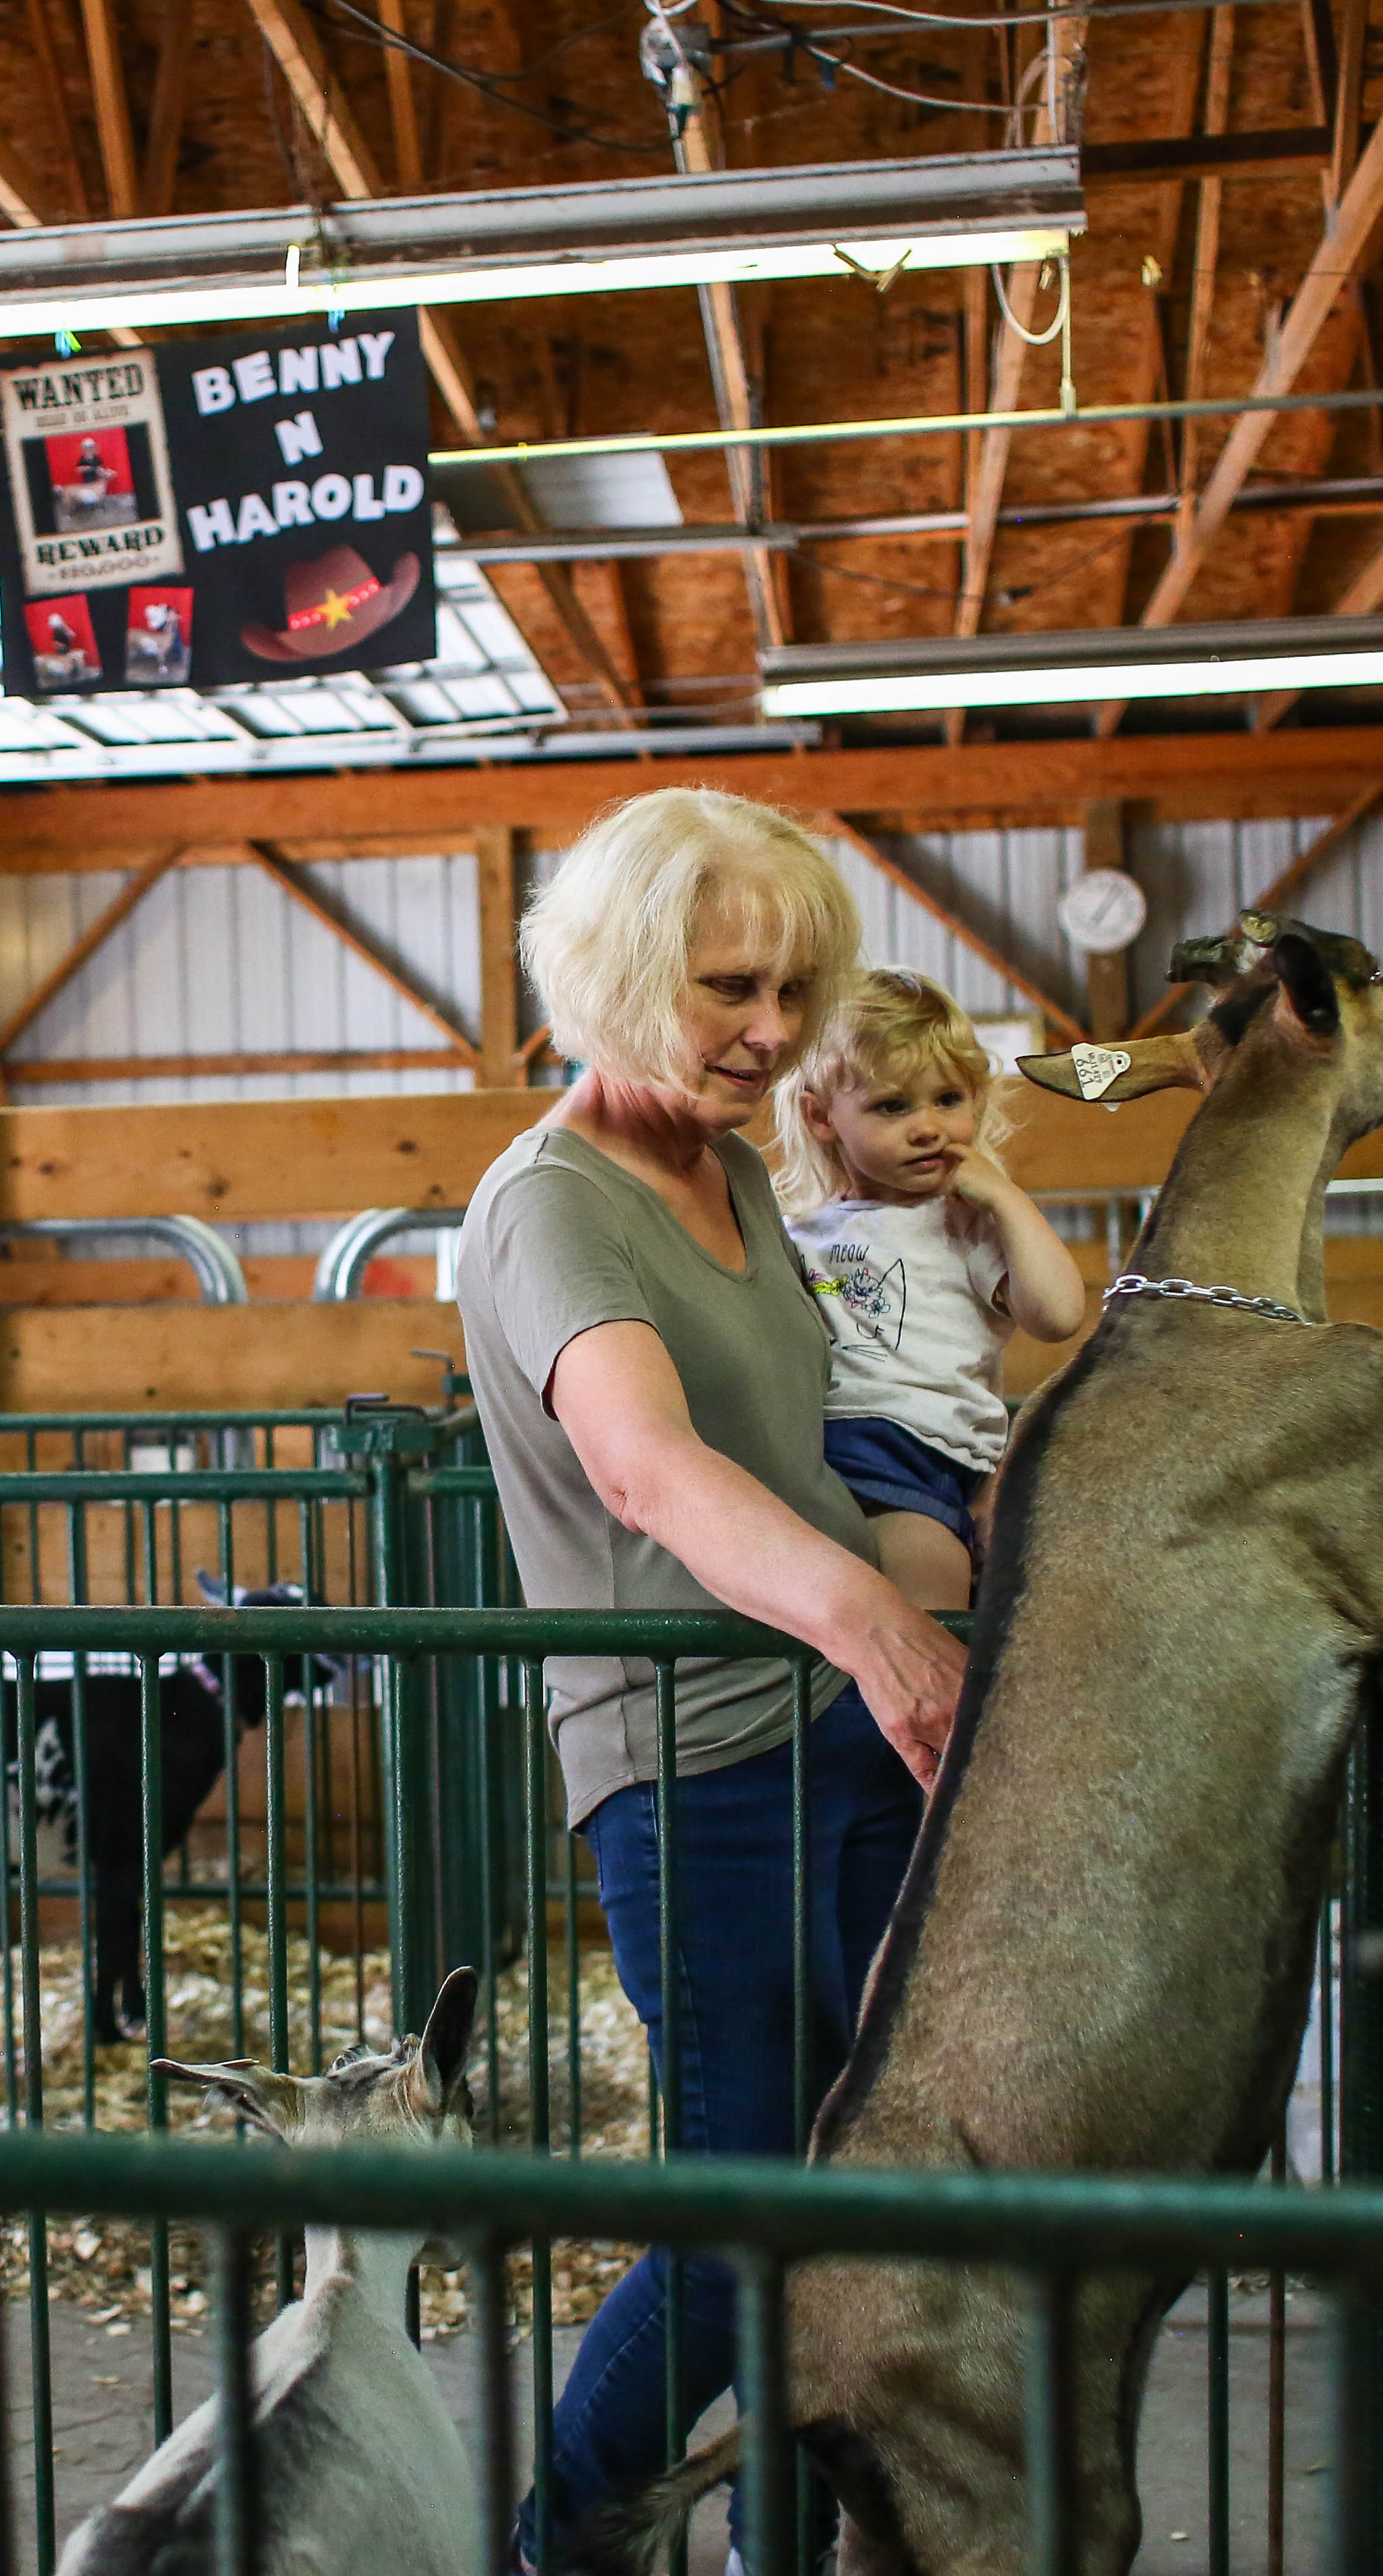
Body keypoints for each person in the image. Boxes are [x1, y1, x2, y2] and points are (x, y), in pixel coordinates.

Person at [454, 789, 965, 2570]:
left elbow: (791, 1443)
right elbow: (646, 1472)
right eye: (730, 988)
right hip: (694, 1759)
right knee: (735, 2191)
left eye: (793, 990)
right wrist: (884, 1622)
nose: (772, 1034)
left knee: (838, 2193)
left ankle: (779, 2546)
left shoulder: (734, 1160)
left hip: (829, 1722)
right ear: (610, 974)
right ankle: (562, 2538)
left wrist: (913, 1549)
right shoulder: (553, 1207)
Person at [771, 973, 1088, 1609]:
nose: (928, 1128)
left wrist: (1004, 1196)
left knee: (929, 1605)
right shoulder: (793, 1233)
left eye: (949, 1099)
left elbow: (1058, 1316)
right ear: (821, 1116)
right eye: (893, 1107)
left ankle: (926, 1705)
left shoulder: (966, 1222)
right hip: (813, 1450)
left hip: (922, 1452)